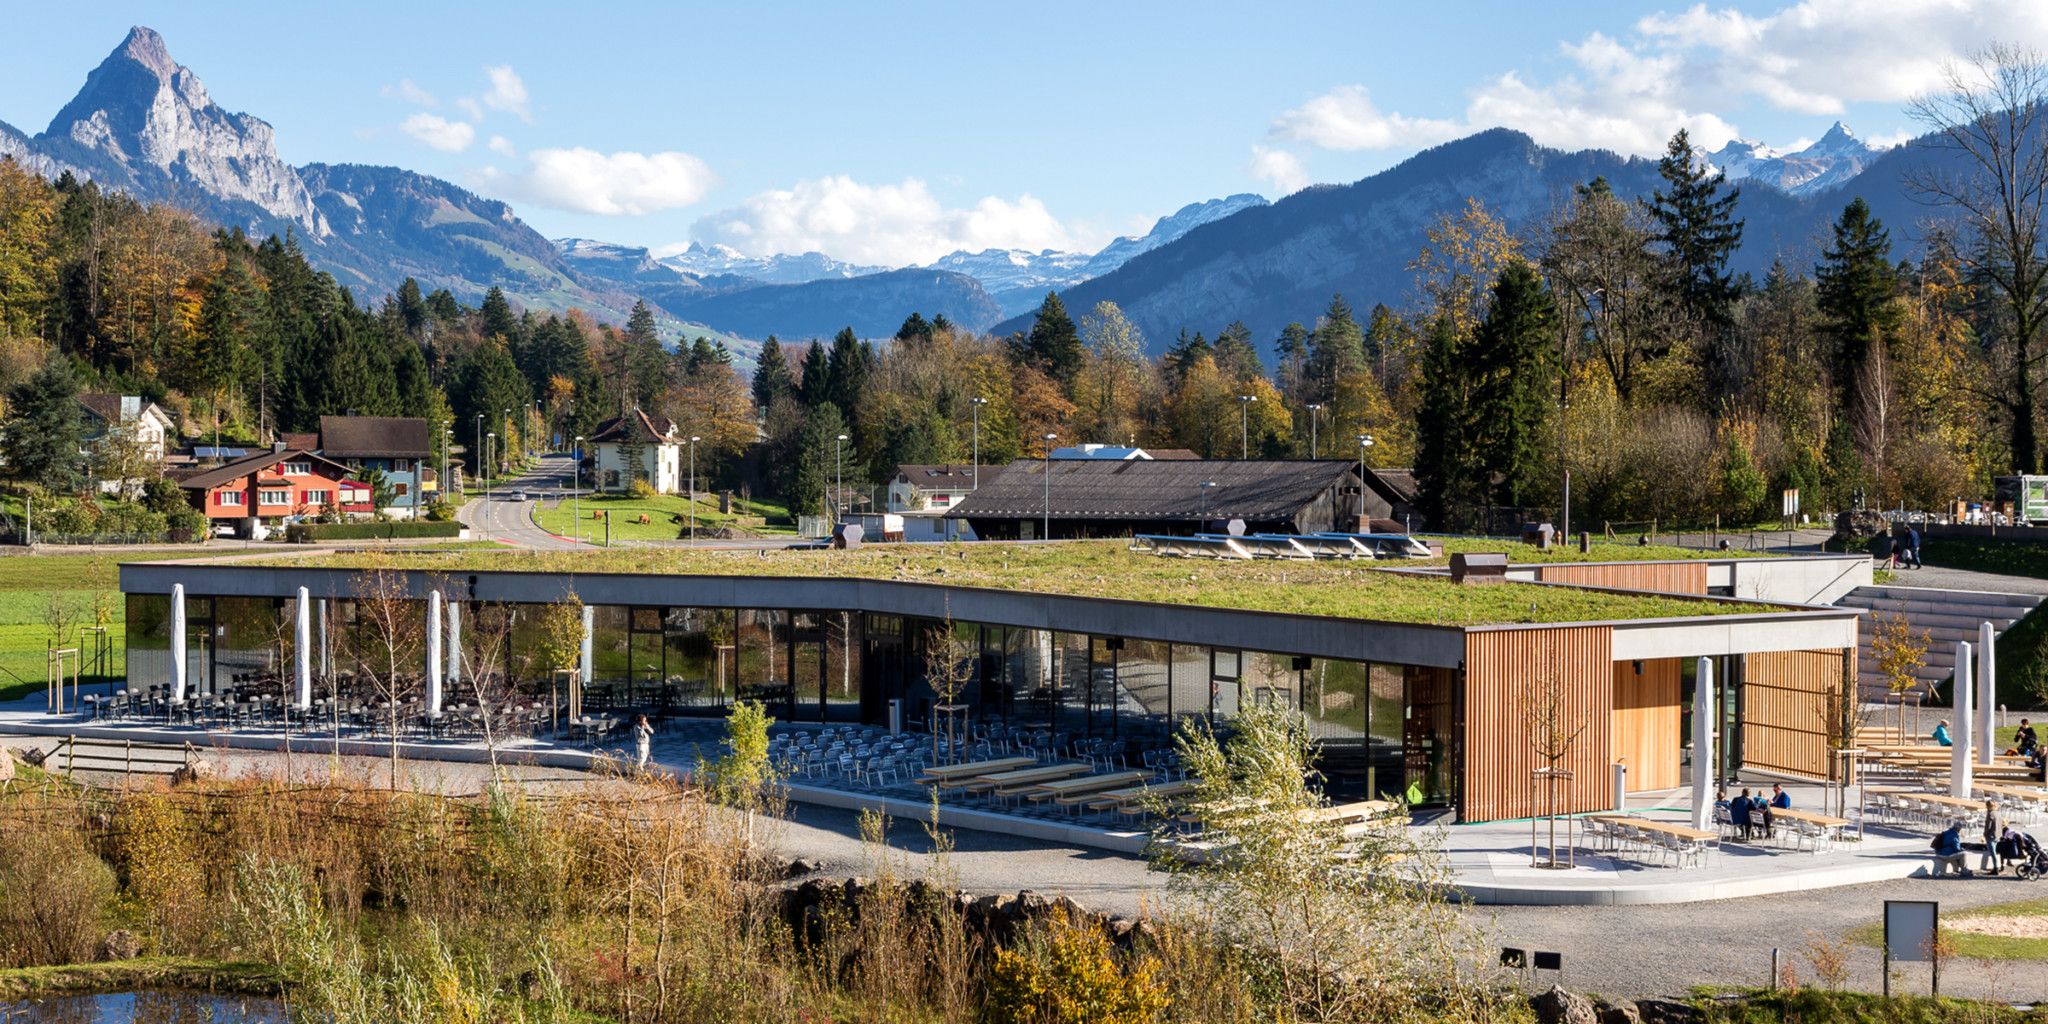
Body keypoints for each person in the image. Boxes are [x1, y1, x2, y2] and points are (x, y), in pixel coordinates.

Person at [1981, 800, 2004, 874]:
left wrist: (1985, 834)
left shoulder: (1990, 814)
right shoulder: (1998, 813)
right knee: (1994, 852)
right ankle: (1997, 867)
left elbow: (1988, 827)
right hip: (1997, 835)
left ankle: (1996, 868)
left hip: (1991, 836)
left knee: (1993, 853)